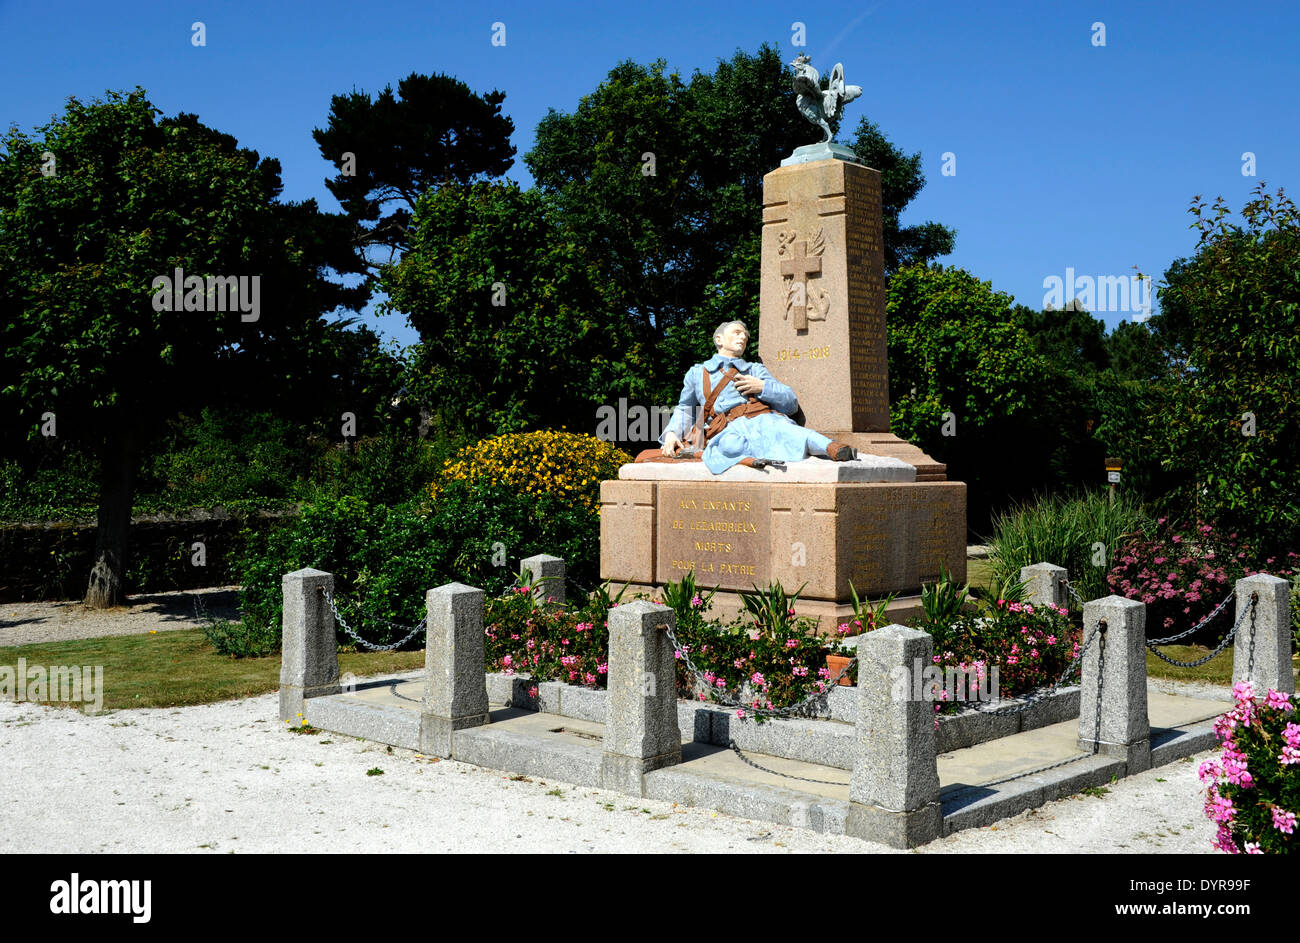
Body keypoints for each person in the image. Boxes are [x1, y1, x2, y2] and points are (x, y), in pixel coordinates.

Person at [658, 320, 857, 474]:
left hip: (761, 418)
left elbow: (791, 403)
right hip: (726, 427)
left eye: (745, 335)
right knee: (728, 445)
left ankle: (831, 448)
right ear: (719, 339)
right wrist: (671, 434)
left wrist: (762, 387)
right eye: (736, 332)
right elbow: (686, 408)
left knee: (786, 431)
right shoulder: (697, 373)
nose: (743, 337)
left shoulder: (755, 369)